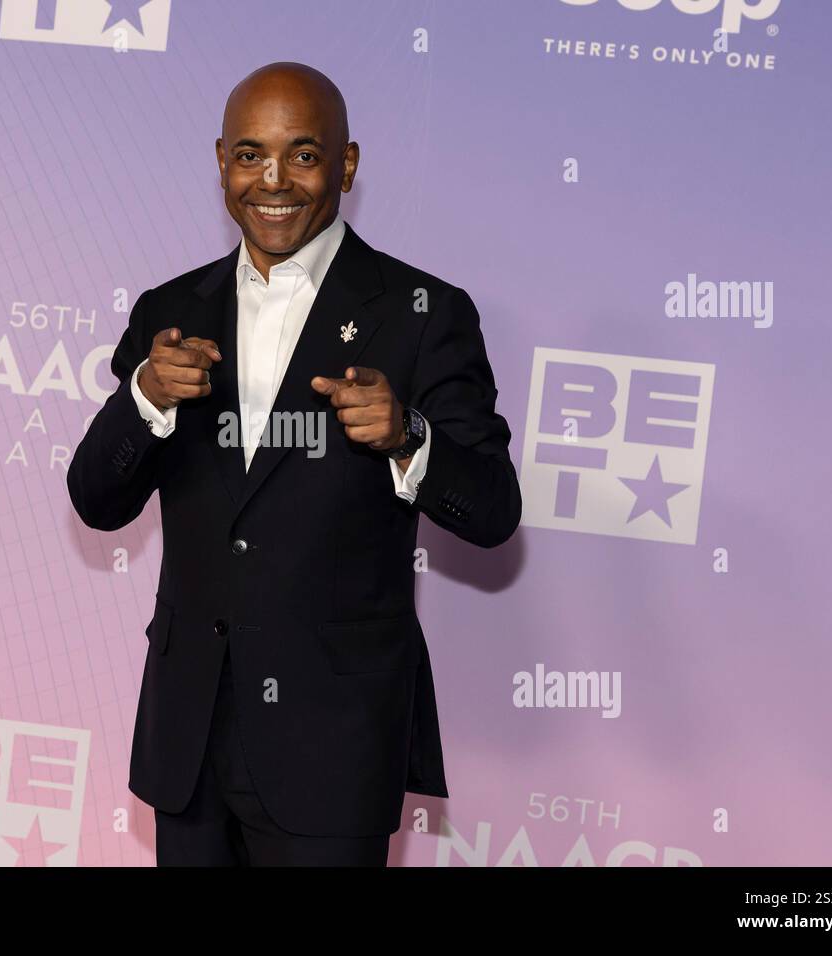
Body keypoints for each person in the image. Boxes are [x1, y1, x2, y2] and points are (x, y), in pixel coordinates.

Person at [68, 62, 522, 866]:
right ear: (220, 162)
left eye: (303, 155)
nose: (272, 180)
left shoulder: (424, 314)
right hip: (190, 736)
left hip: (333, 746)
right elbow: (98, 501)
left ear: (346, 166)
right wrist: (142, 398)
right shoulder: (169, 312)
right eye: (250, 154)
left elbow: (492, 513)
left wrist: (410, 436)